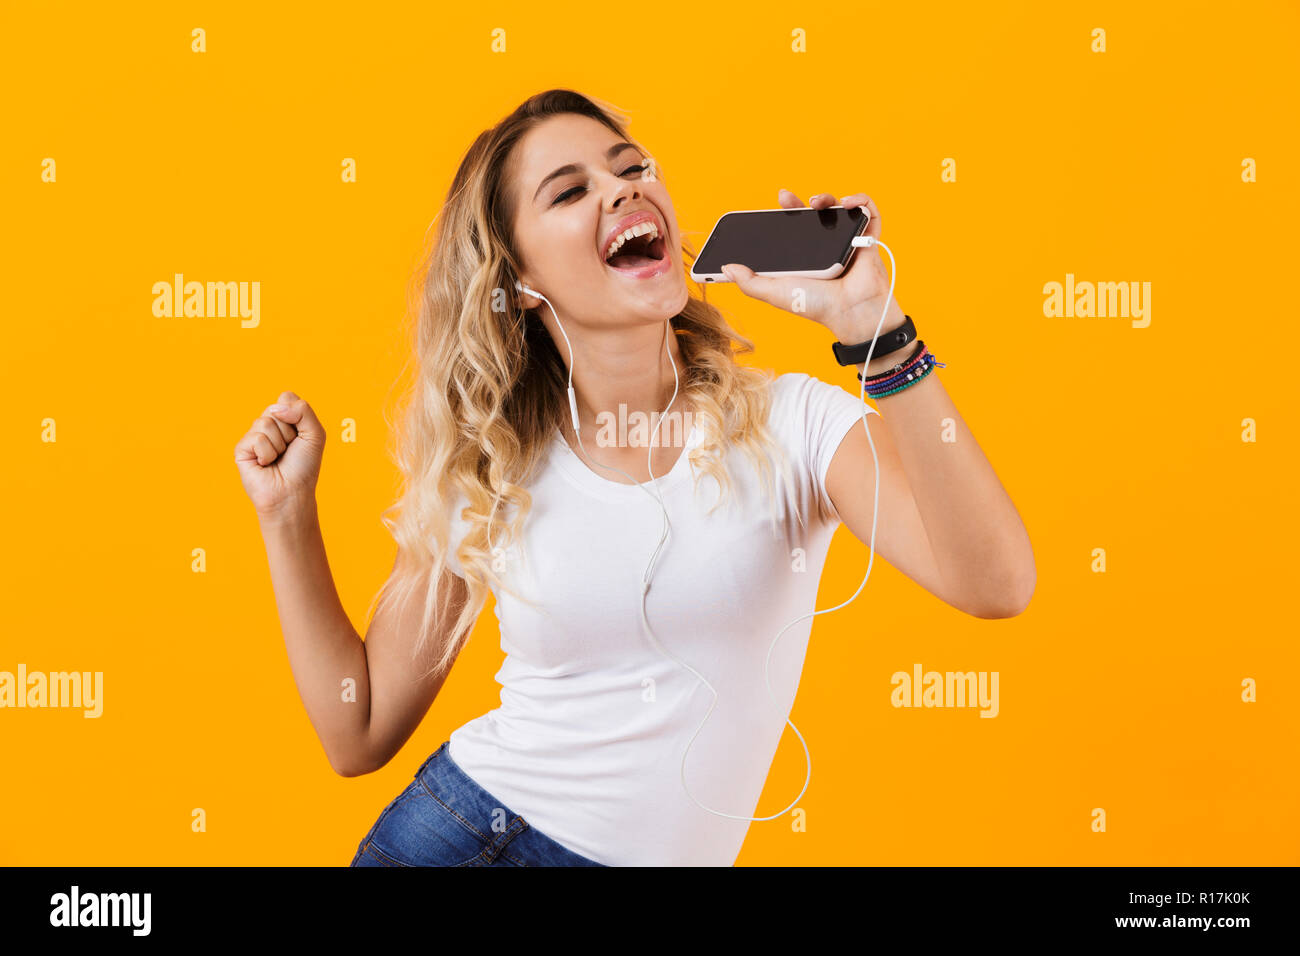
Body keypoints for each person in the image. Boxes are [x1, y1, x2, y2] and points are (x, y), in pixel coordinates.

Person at [233, 89, 1035, 867]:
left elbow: (996, 582)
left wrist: (877, 332)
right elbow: (358, 730)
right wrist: (285, 512)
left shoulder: (795, 427)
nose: (624, 190)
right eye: (571, 191)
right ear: (518, 280)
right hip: (473, 842)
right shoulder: (493, 466)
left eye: (632, 168)